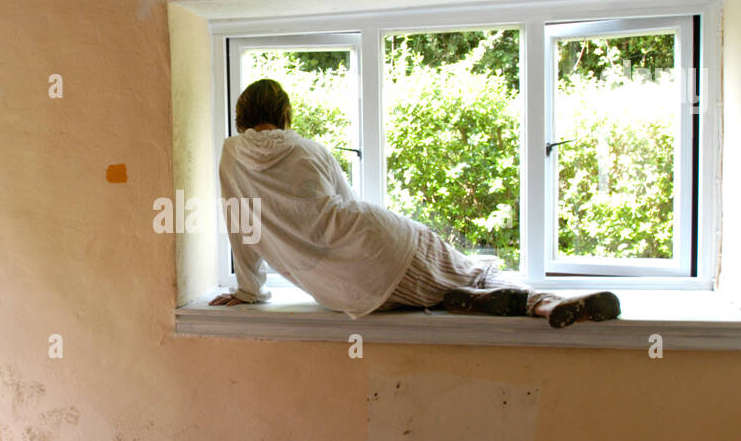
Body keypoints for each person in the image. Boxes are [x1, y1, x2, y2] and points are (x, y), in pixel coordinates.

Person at [211, 78, 620, 328]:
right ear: (285, 114)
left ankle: (473, 302)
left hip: (343, 294)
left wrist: (249, 291)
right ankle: (546, 304)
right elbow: (348, 204)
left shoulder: (231, 156)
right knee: (473, 272)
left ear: (241, 116)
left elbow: (239, 225)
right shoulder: (309, 149)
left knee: (443, 290)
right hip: (378, 244)